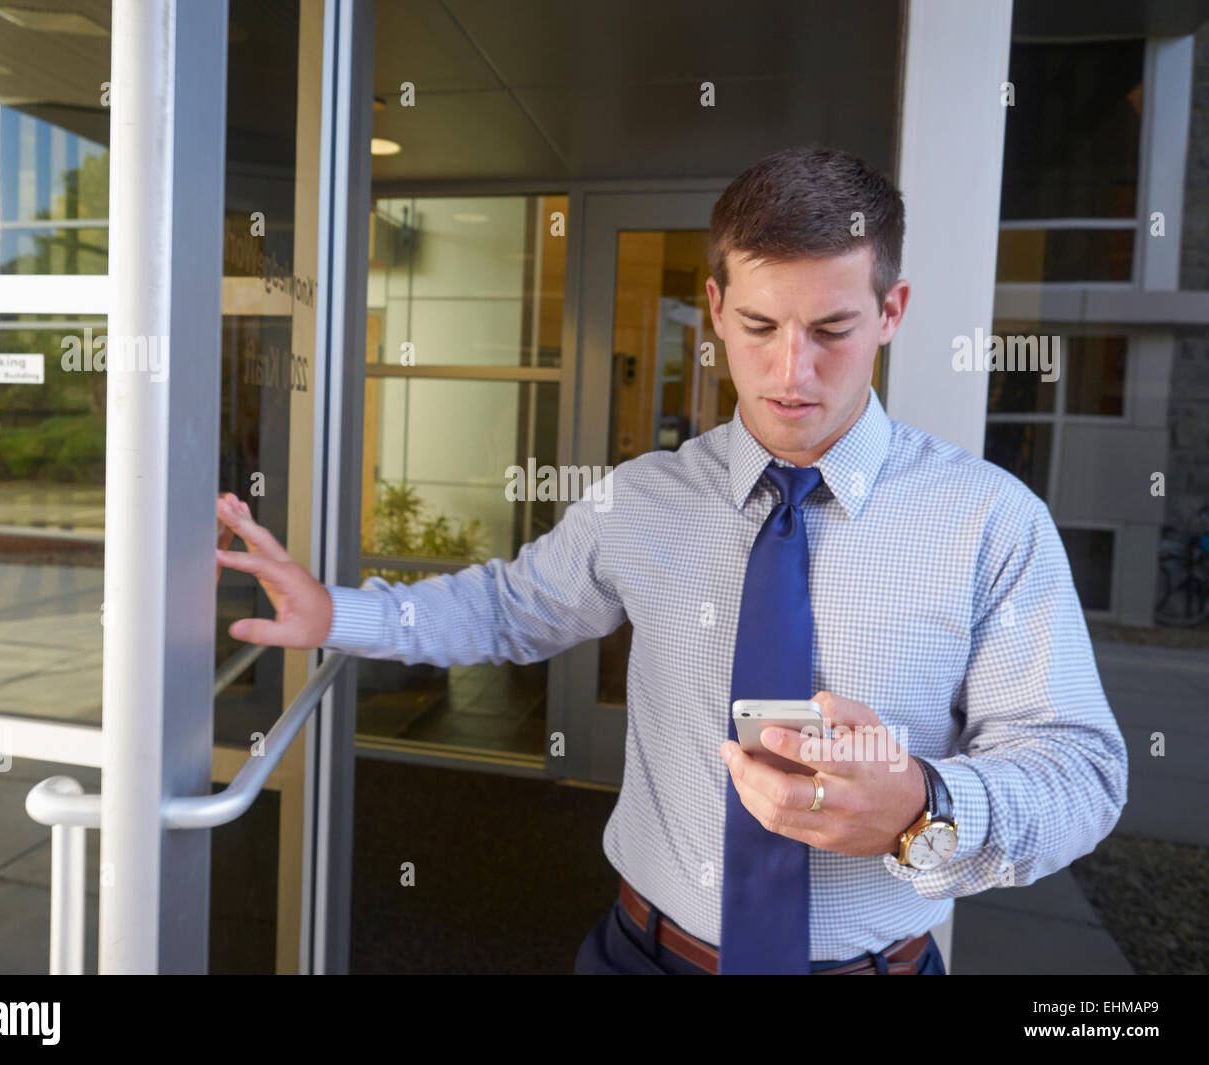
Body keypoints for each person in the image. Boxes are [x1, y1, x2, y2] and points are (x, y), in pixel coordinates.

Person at [214, 146, 1128, 975]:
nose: (791, 373)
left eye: (833, 330)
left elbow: (1080, 768)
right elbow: (509, 607)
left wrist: (926, 808)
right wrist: (339, 614)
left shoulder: (990, 521)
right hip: (642, 956)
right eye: (762, 326)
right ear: (717, 310)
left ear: (891, 312)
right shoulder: (643, 496)